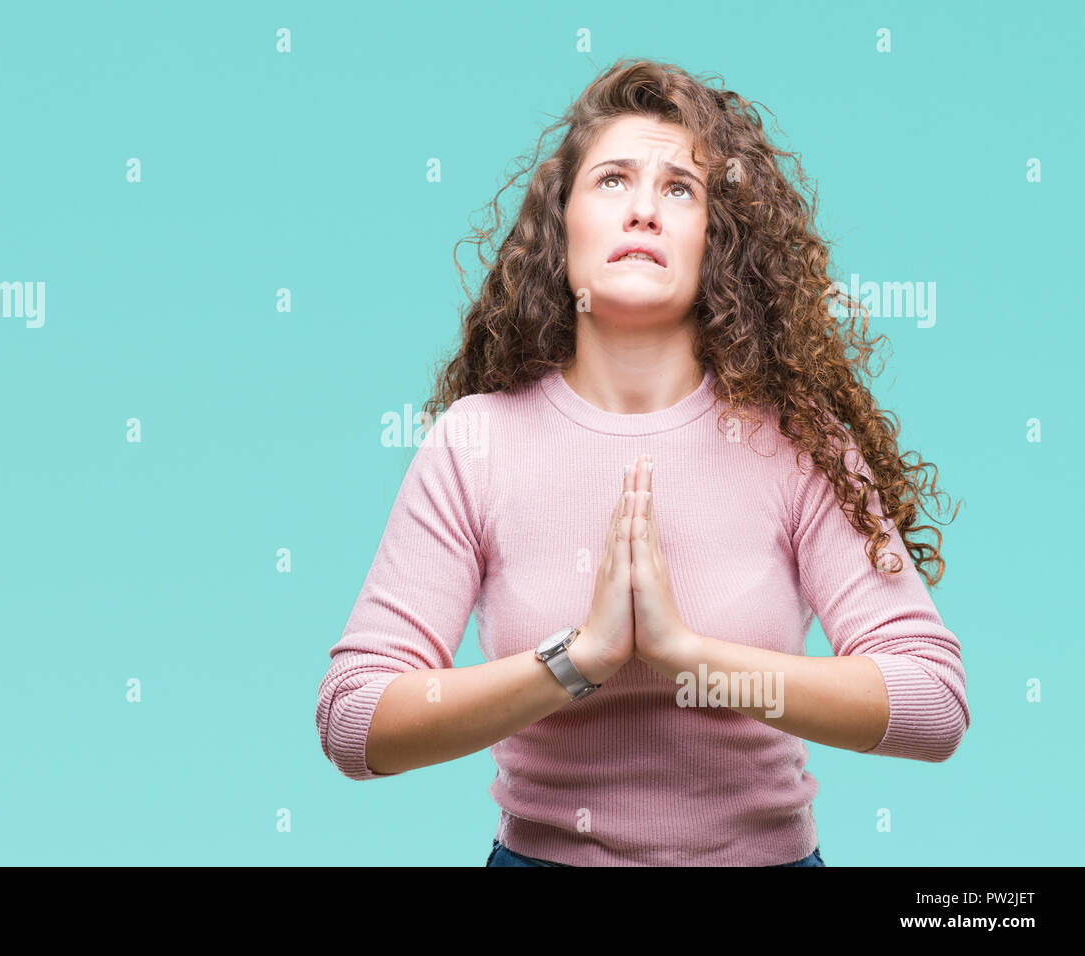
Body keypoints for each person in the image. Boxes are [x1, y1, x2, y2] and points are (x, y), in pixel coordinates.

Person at [314, 58, 969, 867]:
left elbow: (932, 702)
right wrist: (578, 661)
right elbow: (354, 720)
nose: (644, 210)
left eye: (680, 189)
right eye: (613, 180)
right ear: (560, 226)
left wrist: (686, 657)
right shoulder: (475, 441)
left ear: (719, 243)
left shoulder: (796, 441)